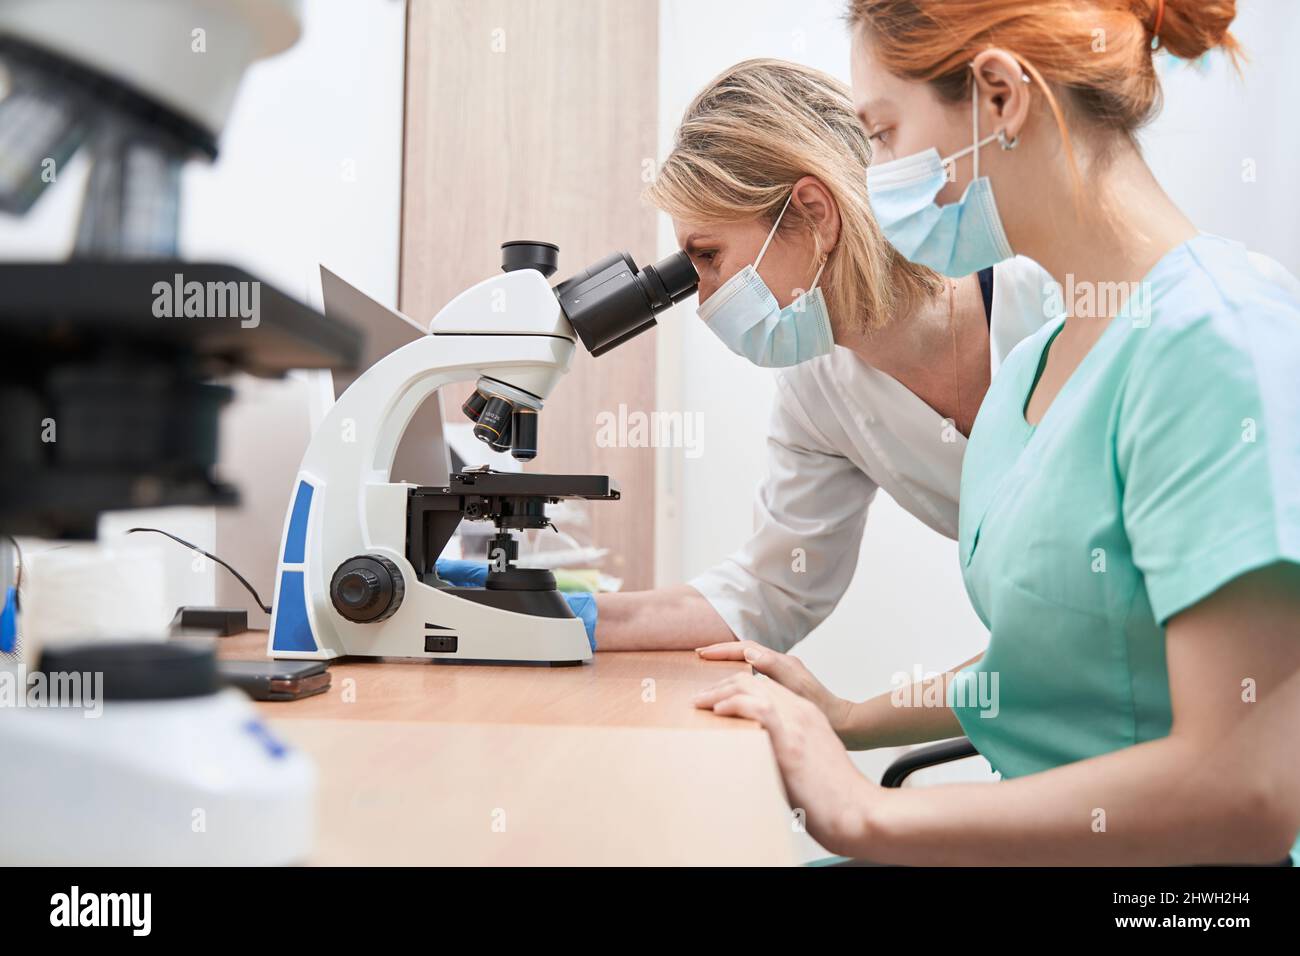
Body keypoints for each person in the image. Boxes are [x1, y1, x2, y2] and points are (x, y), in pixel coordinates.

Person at [696, 0, 1300, 865]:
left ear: (1000, 97)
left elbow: (1248, 793)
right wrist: (847, 718)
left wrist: (867, 815)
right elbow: (1065, 660)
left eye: (884, 131)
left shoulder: (1219, 341)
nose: (874, 177)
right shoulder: (1036, 368)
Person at [592, 58, 1060, 652]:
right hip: (1048, 687)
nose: (701, 295)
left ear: (814, 212)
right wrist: (564, 614)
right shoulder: (818, 393)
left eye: (707, 257)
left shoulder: (1051, 300)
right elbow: (768, 591)